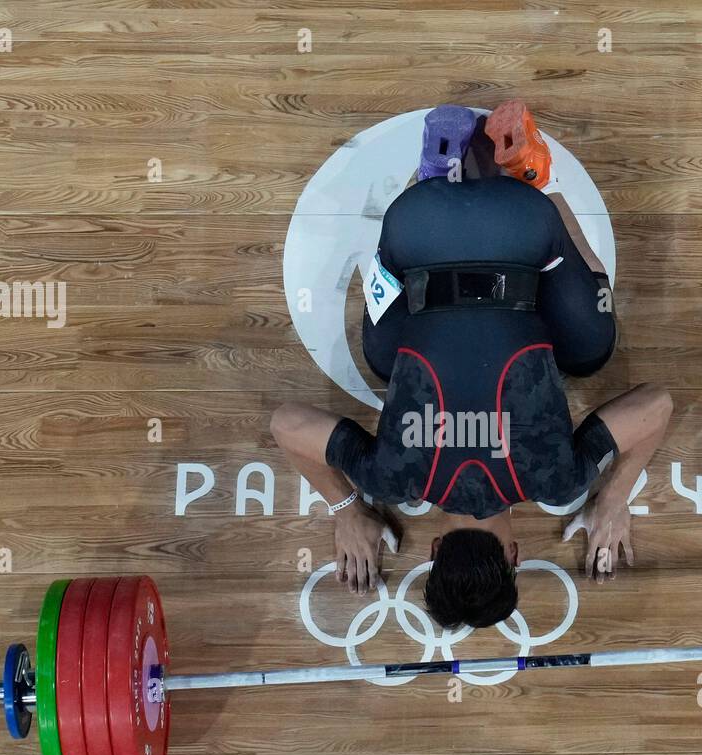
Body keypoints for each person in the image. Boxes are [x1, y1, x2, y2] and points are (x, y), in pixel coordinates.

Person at [272, 100, 672, 628]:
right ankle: (433, 171)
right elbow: (286, 424)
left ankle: (533, 175)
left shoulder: (556, 477)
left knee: (592, 351)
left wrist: (613, 498)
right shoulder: (393, 476)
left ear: (514, 556)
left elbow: (656, 404)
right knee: (383, 359)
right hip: (415, 224)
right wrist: (349, 508)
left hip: (524, 220)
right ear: (435, 549)